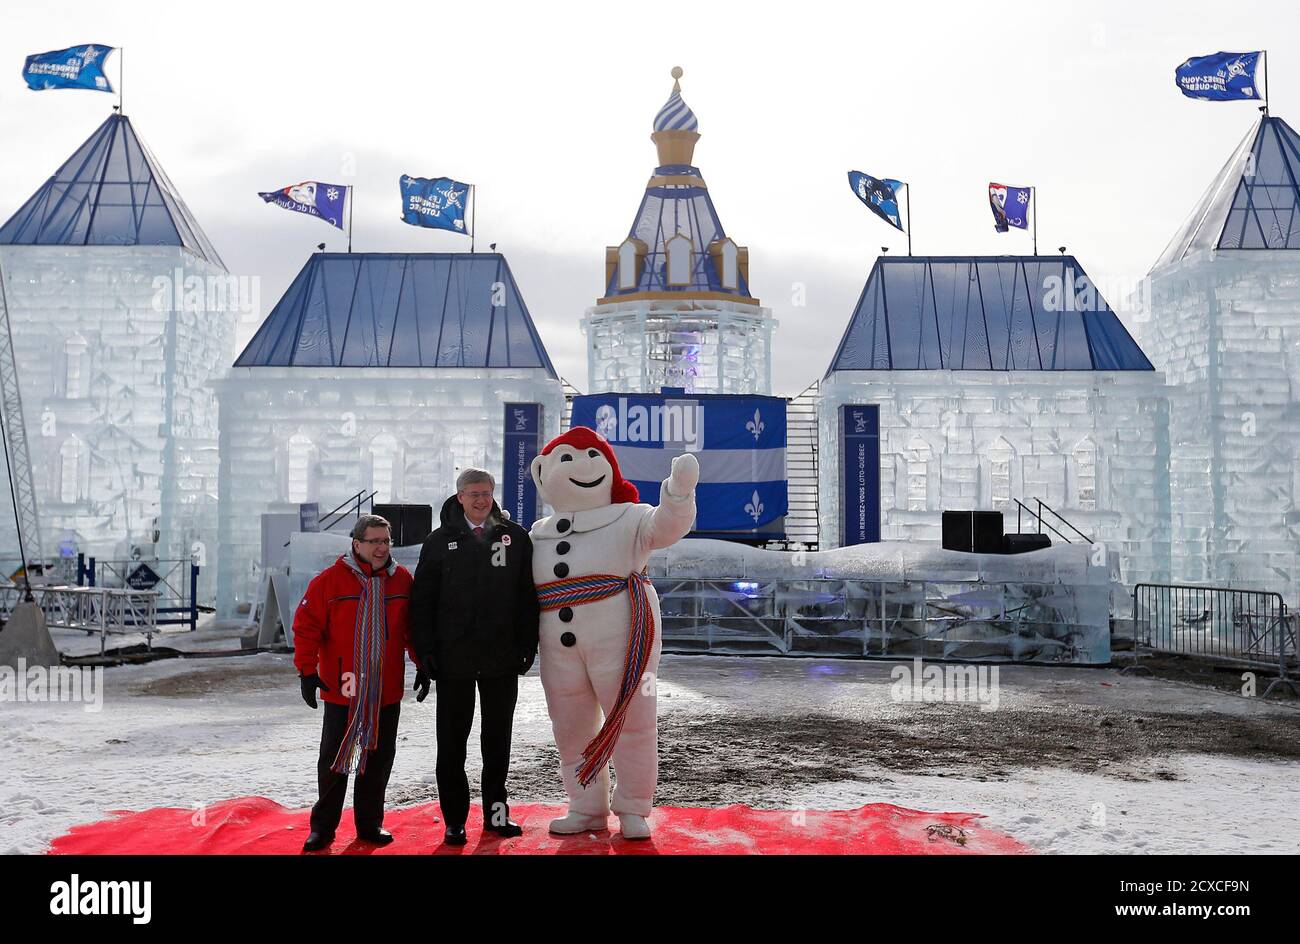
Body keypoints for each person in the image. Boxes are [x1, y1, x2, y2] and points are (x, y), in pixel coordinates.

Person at [409, 469, 539, 846]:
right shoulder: (438, 541)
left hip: (501, 660)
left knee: (497, 744)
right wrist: (425, 653)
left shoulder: (515, 538)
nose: (482, 500)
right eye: (474, 494)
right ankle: (455, 821)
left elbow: (527, 598)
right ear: (460, 496)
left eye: (487, 492)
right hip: (454, 661)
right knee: (452, 745)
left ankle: (497, 816)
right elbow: (423, 603)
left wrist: (527, 644)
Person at [292, 514, 424, 852]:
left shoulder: (401, 581)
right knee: (337, 759)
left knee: (377, 759)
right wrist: (307, 672)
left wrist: (422, 664)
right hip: (345, 686)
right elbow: (306, 627)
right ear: (356, 544)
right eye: (374, 541)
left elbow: (413, 630)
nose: (381, 548)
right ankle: (323, 828)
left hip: (385, 687)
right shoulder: (330, 582)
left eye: (385, 541)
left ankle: (369, 823)